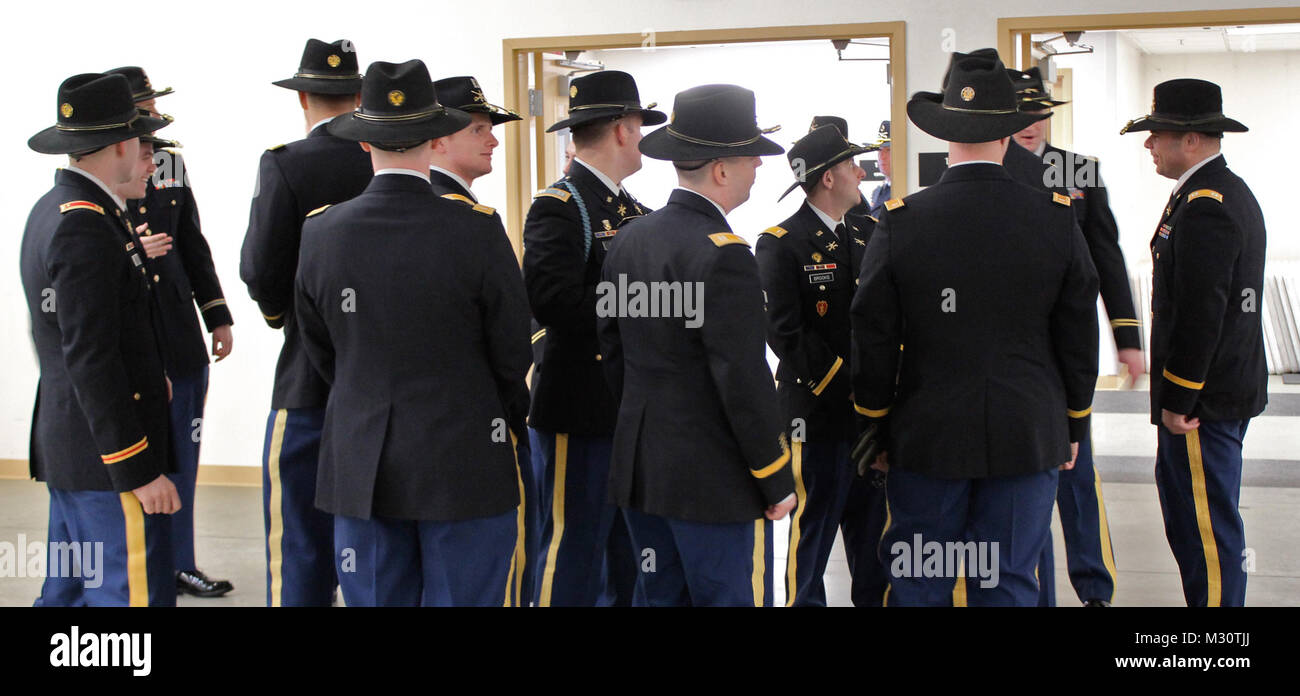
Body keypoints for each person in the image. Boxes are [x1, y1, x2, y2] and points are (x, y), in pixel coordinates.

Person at [851, 50, 1099, 606]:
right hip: (1029, 429)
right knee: (1009, 579)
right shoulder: (1055, 216)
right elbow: (1078, 335)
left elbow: (872, 333)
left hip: (926, 432)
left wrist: (875, 424)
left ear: (945, 135)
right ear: (1009, 135)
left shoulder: (900, 220)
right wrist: (1073, 424)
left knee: (919, 579)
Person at [296, 59, 531, 606]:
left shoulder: (322, 231)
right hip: (464, 453)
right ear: (433, 138)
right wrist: (503, 417)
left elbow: (322, 350)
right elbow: (510, 346)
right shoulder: (475, 226)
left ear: (363, 143)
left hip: (363, 460)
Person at [598, 83, 797, 607]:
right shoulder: (724, 255)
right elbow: (741, 377)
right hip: (712, 481)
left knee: (657, 597)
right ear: (722, 169)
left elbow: (614, 352)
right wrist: (775, 475)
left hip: (643, 468)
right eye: (751, 157)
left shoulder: (630, 238)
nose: (758, 166)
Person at [22, 72, 178, 606]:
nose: (150, 159)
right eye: (143, 144)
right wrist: (137, 467)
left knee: (64, 596)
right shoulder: (84, 225)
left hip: (75, 447)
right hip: (105, 460)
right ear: (120, 145)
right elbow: (91, 355)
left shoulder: (58, 209)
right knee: (124, 599)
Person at [1121, 78, 1267, 607]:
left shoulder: (1207, 203)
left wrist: (1181, 397)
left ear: (1189, 140)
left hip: (1204, 400)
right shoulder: (1208, 192)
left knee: (1206, 530)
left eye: (1156, 134)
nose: (1148, 145)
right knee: (1191, 522)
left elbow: (1204, 311)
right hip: (1209, 394)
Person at [522, 70, 663, 606]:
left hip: (624, 407)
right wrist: (645, 304)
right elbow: (552, 300)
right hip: (577, 410)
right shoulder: (560, 205)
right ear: (623, 129)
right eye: (638, 125)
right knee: (572, 550)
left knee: (628, 555)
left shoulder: (629, 206)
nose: (642, 137)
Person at [240, 37, 371, 607]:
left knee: (300, 541)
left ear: (303, 100)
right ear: (361, 94)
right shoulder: (389, 160)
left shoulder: (286, 164)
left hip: (309, 381)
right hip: (384, 377)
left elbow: (261, 269)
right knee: (374, 547)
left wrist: (281, 317)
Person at [1006, 66, 1141, 607]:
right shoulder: (995, 173)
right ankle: (1036, 589)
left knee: (1078, 471)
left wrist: (1126, 335)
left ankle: (1095, 589)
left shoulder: (1079, 171)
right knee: (1034, 476)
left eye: (1041, 112)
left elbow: (1106, 255)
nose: (1034, 123)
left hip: (1071, 347)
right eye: (1022, 114)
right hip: (1020, 346)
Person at [107, 66, 237, 599]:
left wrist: (217, 313)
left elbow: (190, 240)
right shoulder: (99, 168)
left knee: (183, 455)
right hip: (135, 334)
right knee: (141, 461)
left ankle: (180, 562)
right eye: (149, 106)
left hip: (178, 331)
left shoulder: (169, 159)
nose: (158, 114)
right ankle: (142, 565)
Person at [756, 123, 875, 606]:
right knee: (813, 532)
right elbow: (785, 333)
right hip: (816, 410)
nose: (860, 171)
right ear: (828, 178)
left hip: (869, 416)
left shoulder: (869, 231)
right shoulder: (782, 242)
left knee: (874, 537)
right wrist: (849, 383)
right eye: (850, 164)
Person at [428, 75, 521, 201]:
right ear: (439, 141)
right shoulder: (449, 206)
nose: (494, 142)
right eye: (477, 130)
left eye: (490, 129)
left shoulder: (430, 196)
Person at [867, 120, 891, 218]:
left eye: (888, 150)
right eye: (879, 150)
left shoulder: (907, 189)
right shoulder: (877, 192)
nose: (882, 156)